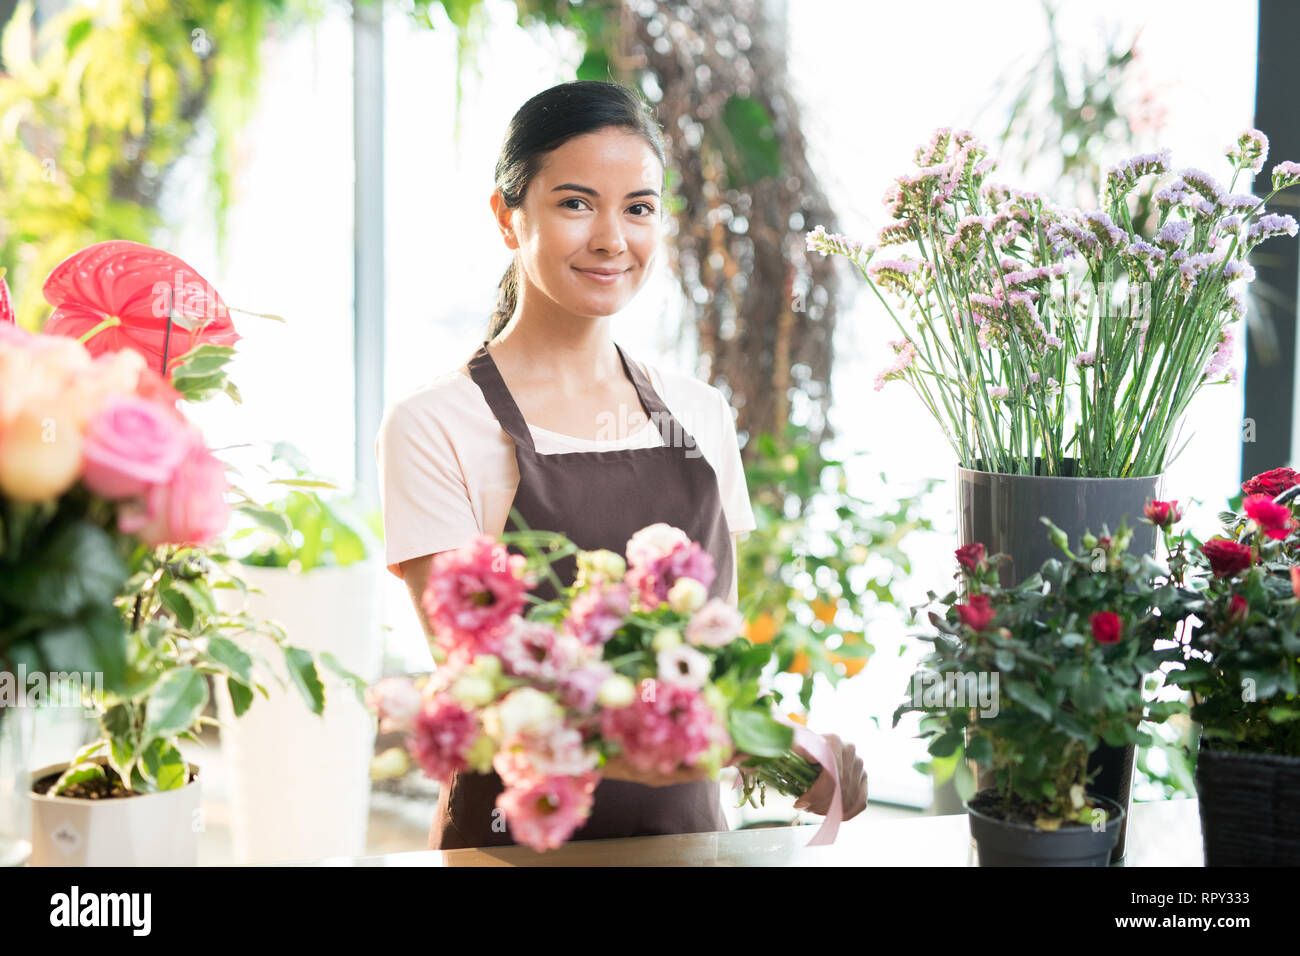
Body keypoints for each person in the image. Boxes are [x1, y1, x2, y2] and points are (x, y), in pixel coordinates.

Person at [376, 79, 867, 851]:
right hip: (513, 844)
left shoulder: (699, 412)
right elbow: (482, 689)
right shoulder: (434, 424)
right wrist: (719, 738)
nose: (612, 239)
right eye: (576, 203)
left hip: (691, 840)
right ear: (507, 217)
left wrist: (789, 750)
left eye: (638, 208)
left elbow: (716, 657)